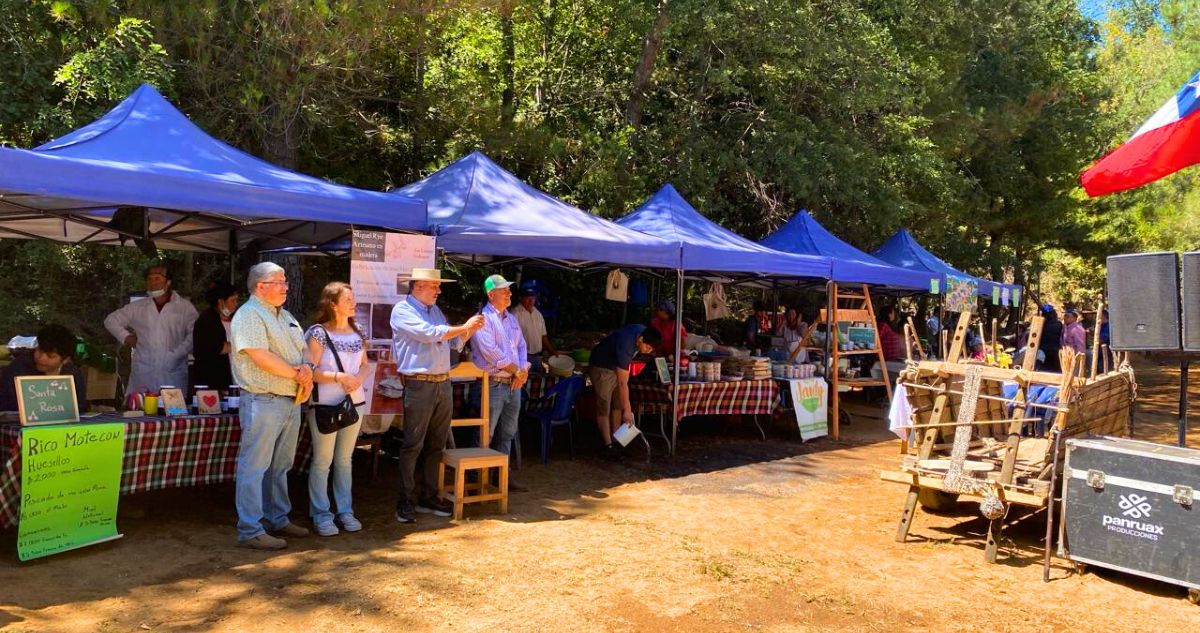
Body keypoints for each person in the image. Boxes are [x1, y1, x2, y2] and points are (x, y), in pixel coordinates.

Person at [229, 262, 314, 550]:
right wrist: (298, 374)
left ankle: (277, 518)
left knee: (280, 466)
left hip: (291, 399)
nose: (286, 286)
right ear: (260, 286)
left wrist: (308, 369)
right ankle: (250, 529)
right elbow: (260, 357)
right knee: (255, 467)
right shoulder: (249, 315)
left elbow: (303, 350)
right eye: (279, 282)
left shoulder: (285, 315)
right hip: (263, 400)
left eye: (286, 281)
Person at [390, 268, 485, 524]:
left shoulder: (435, 310)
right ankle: (406, 501)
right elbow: (429, 334)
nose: (439, 290)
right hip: (419, 384)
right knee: (413, 445)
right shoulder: (402, 310)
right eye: (435, 286)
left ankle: (428, 495)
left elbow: (452, 344)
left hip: (442, 382)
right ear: (418, 286)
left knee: (436, 445)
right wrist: (462, 327)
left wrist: (470, 330)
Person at [304, 282, 369, 537]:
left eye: (353, 299)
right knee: (322, 461)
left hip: (355, 404)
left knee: (344, 461)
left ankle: (345, 511)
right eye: (348, 299)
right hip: (324, 406)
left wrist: (358, 379)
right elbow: (310, 371)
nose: (353, 303)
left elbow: (365, 364)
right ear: (333, 304)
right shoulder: (318, 333)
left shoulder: (358, 331)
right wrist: (339, 377)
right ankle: (321, 514)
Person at [104, 263, 198, 394]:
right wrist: (127, 337)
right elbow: (111, 320)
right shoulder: (138, 307)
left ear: (168, 282)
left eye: (157, 278)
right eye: (149, 279)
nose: (152, 282)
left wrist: (176, 355)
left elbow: (195, 334)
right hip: (144, 372)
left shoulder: (184, 307)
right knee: (139, 411)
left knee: (173, 411)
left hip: (172, 372)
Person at [471, 274, 529, 458]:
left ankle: (502, 476)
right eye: (503, 290)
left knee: (508, 434)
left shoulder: (512, 319)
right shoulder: (482, 319)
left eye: (509, 289)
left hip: (513, 384)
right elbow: (492, 353)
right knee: (485, 433)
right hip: (492, 384)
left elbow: (522, 346)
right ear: (490, 294)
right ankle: (477, 476)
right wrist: (518, 371)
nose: (509, 293)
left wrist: (523, 371)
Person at [587, 324, 661, 458]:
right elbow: (623, 383)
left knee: (617, 405)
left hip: (615, 366)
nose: (648, 351)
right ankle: (608, 445)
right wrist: (628, 411)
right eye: (648, 347)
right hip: (601, 367)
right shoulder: (626, 345)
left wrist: (625, 408)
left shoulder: (642, 331)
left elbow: (622, 384)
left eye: (651, 349)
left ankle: (617, 442)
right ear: (640, 339)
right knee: (604, 406)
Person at [0, 324, 87, 412]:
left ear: (65, 360)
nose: (41, 358)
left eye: (50, 356)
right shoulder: (18, 368)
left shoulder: (73, 374)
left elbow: (80, 408)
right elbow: (7, 407)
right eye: (39, 351)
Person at [192, 281, 240, 392]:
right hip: (212, 380)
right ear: (221, 302)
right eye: (233, 300)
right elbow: (216, 347)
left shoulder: (235, 318)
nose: (236, 304)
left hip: (232, 376)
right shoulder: (207, 320)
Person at [514, 287, 557, 373]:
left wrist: (552, 351)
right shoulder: (514, 313)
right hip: (523, 357)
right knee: (524, 384)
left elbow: (543, 336)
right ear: (521, 298)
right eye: (527, 298)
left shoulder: (538, 314)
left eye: (533, 298)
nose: (531, 301)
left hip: (538, 357)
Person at [1039, 304, 1064, 372]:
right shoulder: (1059, 324)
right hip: (1055, 350)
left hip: (1042, 349)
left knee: (1043, 368)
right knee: (1055, 369)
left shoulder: (1041, 324)